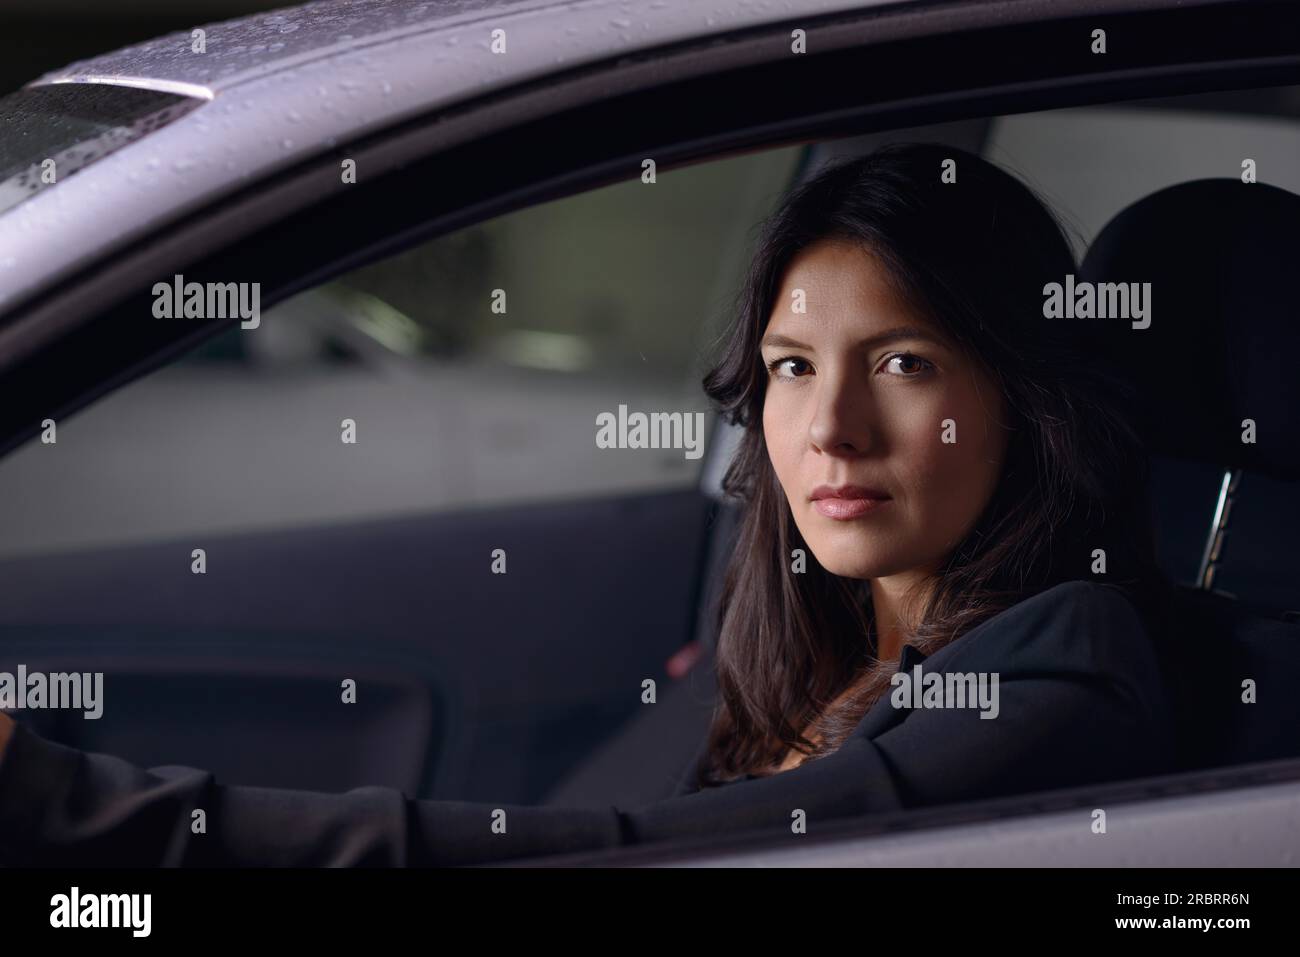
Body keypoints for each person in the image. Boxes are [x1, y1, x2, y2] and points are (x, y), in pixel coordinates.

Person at [0, 142, 1176, 866]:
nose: (831, 429)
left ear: (1023, 399)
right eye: (792, 366)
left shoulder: (1062, 665)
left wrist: (80, 809)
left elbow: (650, 860)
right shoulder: (815, 642)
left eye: (906, 363)